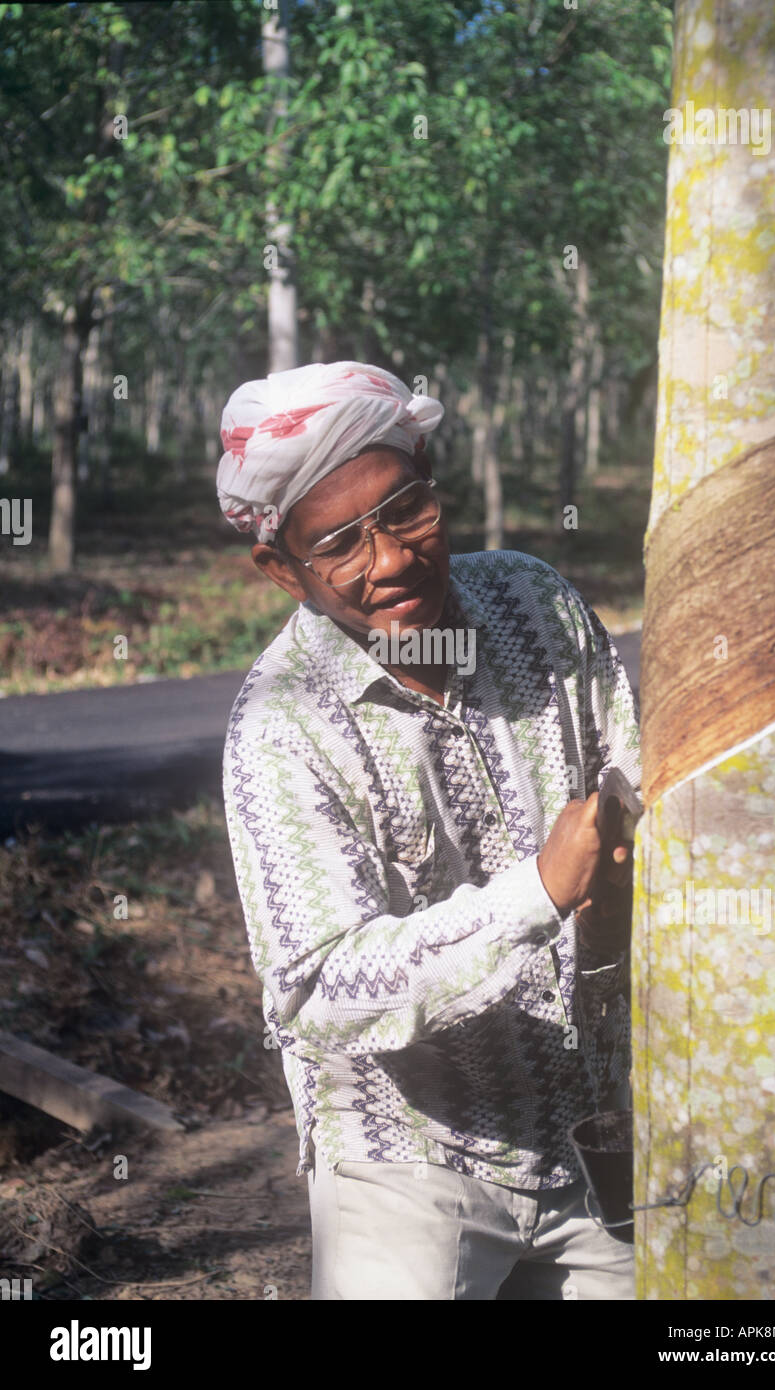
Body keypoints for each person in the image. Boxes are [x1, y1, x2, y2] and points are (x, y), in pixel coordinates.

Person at [216, 361, 641, 1301]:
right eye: (337, 543)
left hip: (593, 1133)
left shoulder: (536, 604)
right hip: (406, 1159)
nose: (392, 560)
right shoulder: (282, 725)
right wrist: (535, 893)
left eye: (405, 511)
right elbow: (318, 989)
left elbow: (639, 778)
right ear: (280, 567)